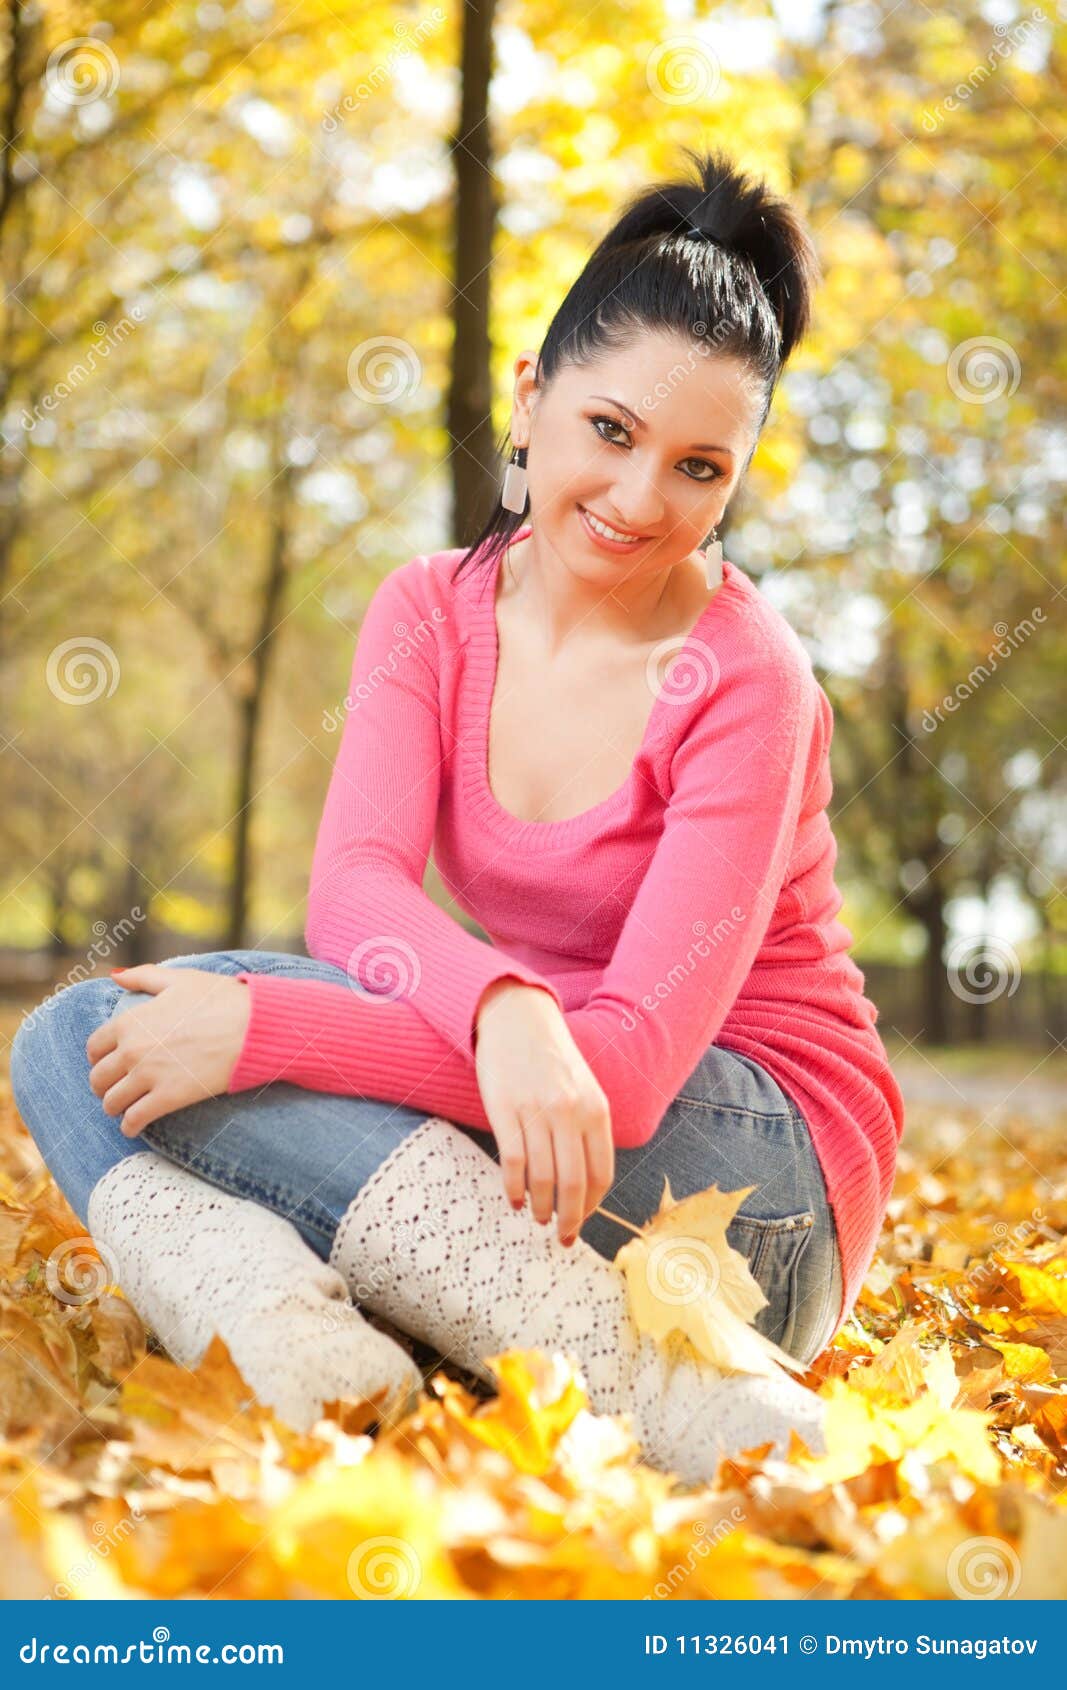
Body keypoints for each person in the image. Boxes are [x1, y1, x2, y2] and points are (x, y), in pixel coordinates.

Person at [10, 147, 903, 1485]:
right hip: (537, 1109)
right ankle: (290, 1338)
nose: (641, 501)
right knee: (76, 1035)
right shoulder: (430, 609)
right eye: (611, 431)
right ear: (532, 398)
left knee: (213, 1028)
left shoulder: (746, 676)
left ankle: (679, 1386)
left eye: (699, 467)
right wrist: (506, 1012)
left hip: (757, 1183)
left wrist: (266, 1030)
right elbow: (354, 891)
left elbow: (627, 1075)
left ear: (736, 477)